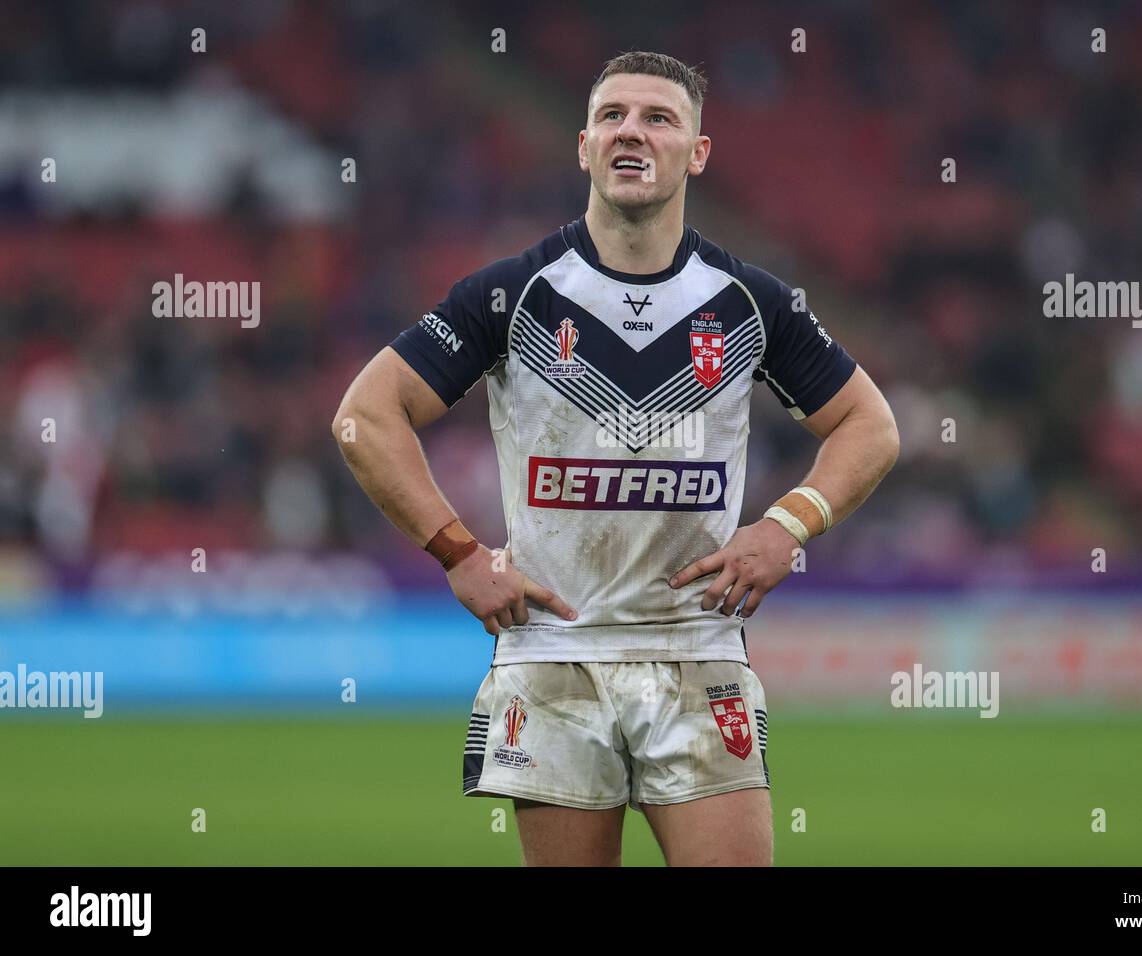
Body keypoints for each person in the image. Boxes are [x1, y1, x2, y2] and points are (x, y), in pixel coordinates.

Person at [333, 50, 899, 866]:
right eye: (612, 117)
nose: (632, 132)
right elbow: (365, 416)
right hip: (553, 654)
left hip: (697, 652)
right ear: (584, 146)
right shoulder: (512, 294)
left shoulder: (749, 302)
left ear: (697, 153)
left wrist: (788, 525)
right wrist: (457, 553)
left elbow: (869, 425)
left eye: (659, 118)